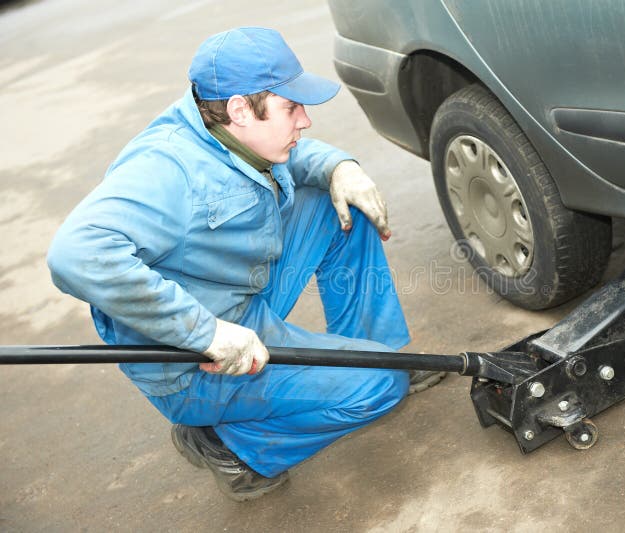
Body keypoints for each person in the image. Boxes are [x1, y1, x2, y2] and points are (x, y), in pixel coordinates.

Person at [46, 27, 444, 502]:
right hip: (192, 359)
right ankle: (229, 445)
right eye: (291, 108)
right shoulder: (167, 169)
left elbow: (288, 160)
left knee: (341, 207)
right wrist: (204, 334)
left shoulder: (220, 124)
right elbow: (75, 253)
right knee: (377, 390)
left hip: (234, 291)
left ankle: (373, 352)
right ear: (239, 109)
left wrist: (340, 167)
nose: (305, 121)